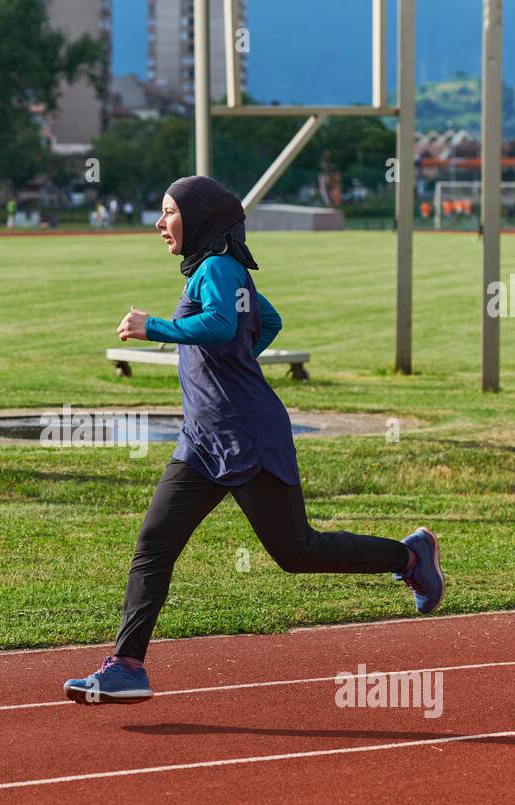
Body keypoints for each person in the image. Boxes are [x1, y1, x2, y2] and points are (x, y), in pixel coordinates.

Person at [63, 175, 445, 705]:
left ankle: (408, 558)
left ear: (199, 219)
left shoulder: (218, 267)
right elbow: (268, 321)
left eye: (170, 212)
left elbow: (222, 327)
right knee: (155, 543)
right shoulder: (214, 269)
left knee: (296, 551)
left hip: (246, 436)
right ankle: (127, 665)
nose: (160, 224)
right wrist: (238, 355)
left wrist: (154, 326)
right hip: (201, 441)